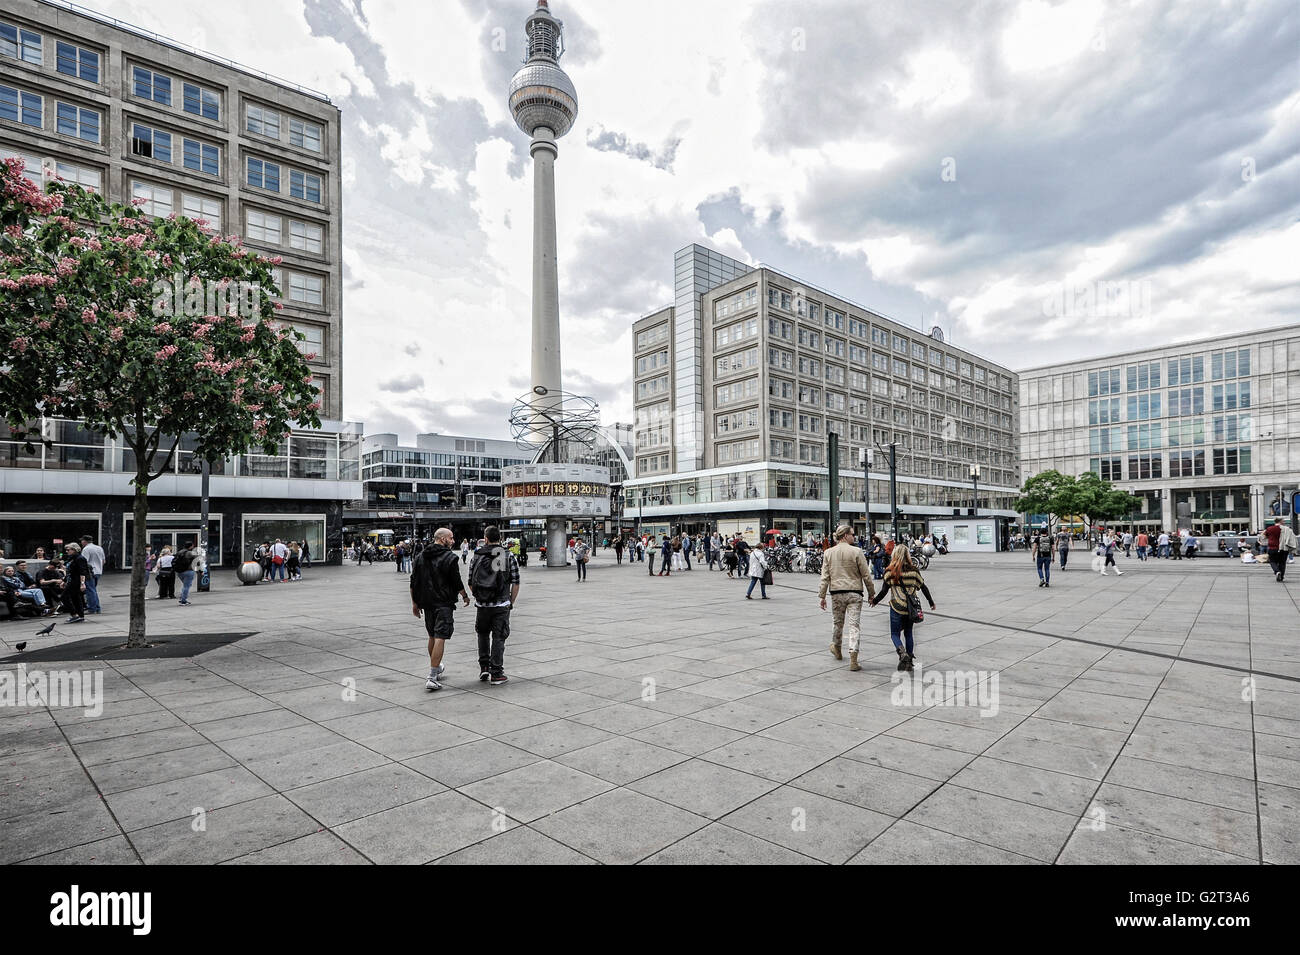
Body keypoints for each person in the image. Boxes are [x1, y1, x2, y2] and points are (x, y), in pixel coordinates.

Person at [410, 527, 470, 691]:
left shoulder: (420, 557)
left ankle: (436, 667)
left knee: (432, 636)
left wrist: (414, 604)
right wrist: (464, 596)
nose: (453, 541)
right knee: (440, 637)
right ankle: (432, 676)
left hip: (427, 603)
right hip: (443, 603)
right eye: (451, 538)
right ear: (442, 539)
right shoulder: (450, 558)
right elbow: (456, 581)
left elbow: (413, 582)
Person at [818, 525, 877, 671]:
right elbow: (866, 574)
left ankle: (837, 648)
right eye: (852, 534)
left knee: (838, 623)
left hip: (837, 593)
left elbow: (825, 577)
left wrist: (822, 596)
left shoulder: (828, 553)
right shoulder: (856, 551)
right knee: (854, 625)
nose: (854, 536)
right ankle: (853, 660)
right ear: (845, 535)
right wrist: (871, 592)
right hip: (855, 593)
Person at [468, 525, 520, 686]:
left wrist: (480, 595)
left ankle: (484, 667)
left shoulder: (476, 555)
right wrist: (510, 601)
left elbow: (471, 582)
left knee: (482, 634)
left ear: (486, 538)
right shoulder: (507, 555)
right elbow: (515, 582)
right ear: (500, 538)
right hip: (501, 603)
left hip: (482, 605)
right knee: (499, 637)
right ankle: (496, 673)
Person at [869, 547, 935, 672]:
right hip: (910, 609)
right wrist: (931, 602)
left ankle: (901, 653)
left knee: (895, 634)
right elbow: (924, 587)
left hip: (896, 607)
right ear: (907, 556)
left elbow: (884, 591)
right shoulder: (914, 572)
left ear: (894, 555)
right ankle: (909, 662)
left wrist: (875, 601)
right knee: (908, 633)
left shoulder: (890, 572)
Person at [62, 542, 90, 623]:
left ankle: (74, 615)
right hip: (71, 581)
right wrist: (64, 581)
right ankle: (80, 616)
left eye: (68, 550)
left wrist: (82, 583)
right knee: (76, 598)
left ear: (74, 550)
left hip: (76, 582)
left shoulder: (80, 558)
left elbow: (82, 571)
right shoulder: (72, 558)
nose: (67, 551)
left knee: (65, 597)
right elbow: (69, 571)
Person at [1264, 517, 1297, 582]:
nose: (1284, 522)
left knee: (1272, 561)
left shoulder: (1270, 528)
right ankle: (1281, 577)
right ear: (1280, 521)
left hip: (1273, 548)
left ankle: (1277, 571)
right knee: (1282, 563)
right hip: (1284, 548)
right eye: (1283, 521)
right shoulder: (1287, 529)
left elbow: (1265, 535)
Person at [79, 535, 105, 614]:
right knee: (93, 590)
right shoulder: (99, 548)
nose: (81, 543)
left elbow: (83, 562)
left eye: (82, 541)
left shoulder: (86, 549)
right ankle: (97, 607)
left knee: (90, 590)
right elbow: (103, 561)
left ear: (84, 541)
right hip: (98, 571)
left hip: (90, 572)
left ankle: (92, 608)